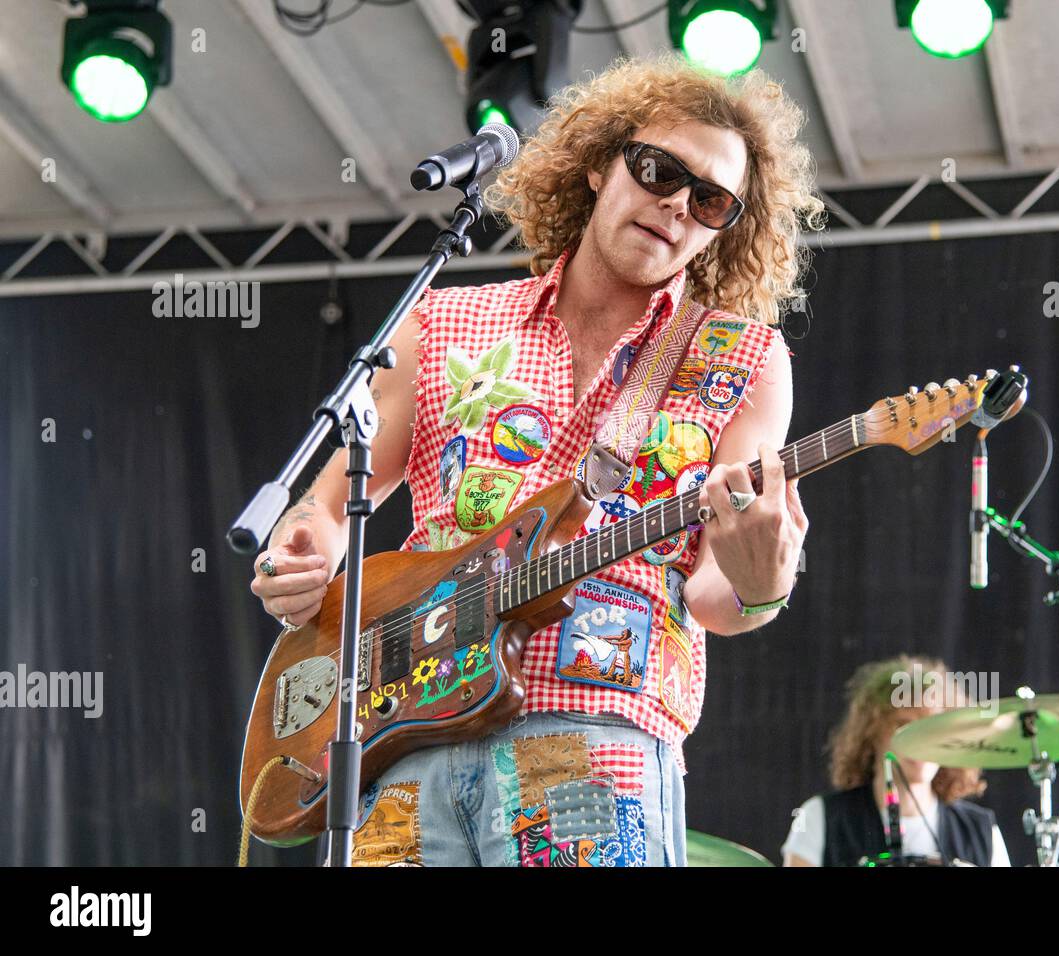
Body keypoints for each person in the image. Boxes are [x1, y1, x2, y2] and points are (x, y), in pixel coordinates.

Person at [249, 53, 824, 866]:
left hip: (597, 740)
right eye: (659, 170)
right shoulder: (442, 324)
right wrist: (303, 543)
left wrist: (761, 585)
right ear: (598, 165)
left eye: (711, 200)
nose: (675, 205)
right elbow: (332, 503)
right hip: (404, 742)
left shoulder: (740, 359)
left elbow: (714, 597)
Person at [783, 655, 1012, 867]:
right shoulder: (820, 816)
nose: (918, 740)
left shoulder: (980, 829)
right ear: (872, 732)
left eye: (930, 727)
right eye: (903, 726)